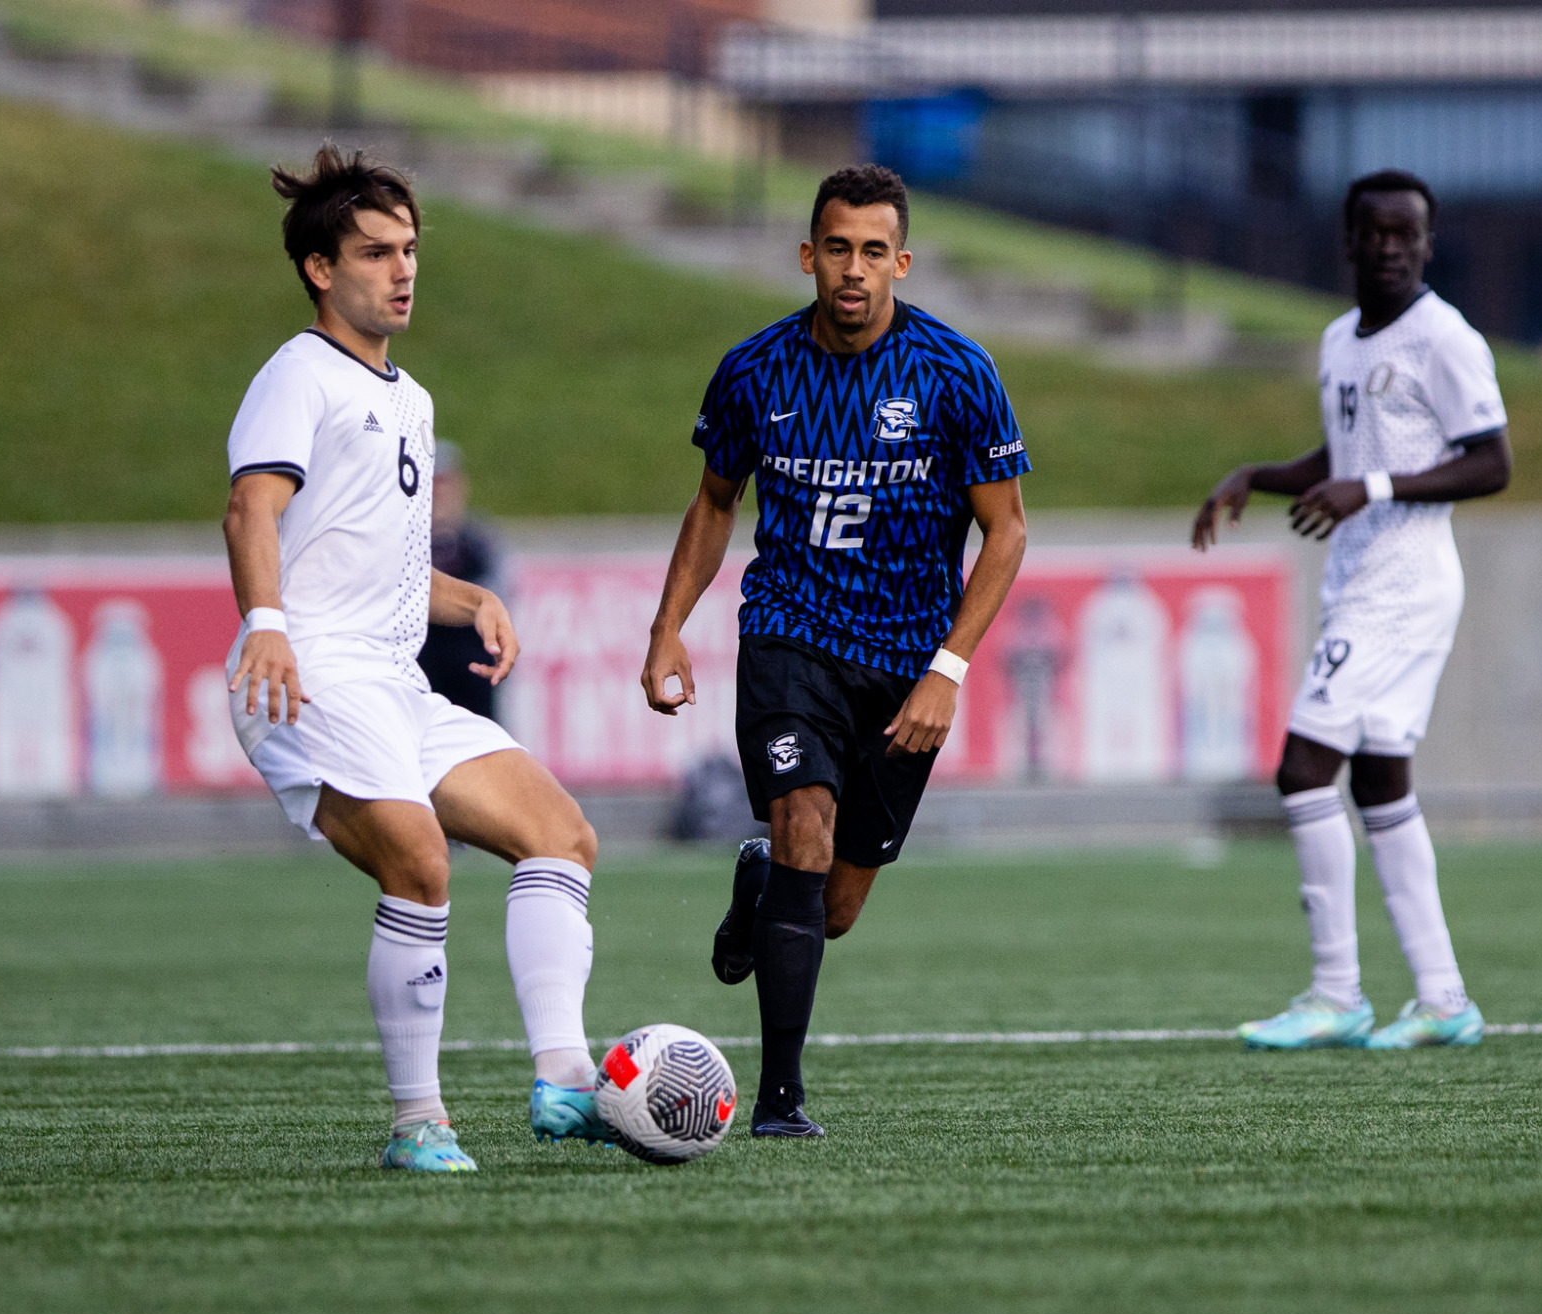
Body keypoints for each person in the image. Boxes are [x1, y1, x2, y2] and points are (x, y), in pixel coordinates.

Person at [221, 146, 607, 1172]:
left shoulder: (410, 398)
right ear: (319, 268)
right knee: (420, 863)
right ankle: (417, 1121)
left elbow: (378, 562)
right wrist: (264, 619)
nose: (402, 271)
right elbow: (250, 506)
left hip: (391, 683)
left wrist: (468, 596)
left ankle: (564, 1077)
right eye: (376, 252)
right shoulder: (296, 376)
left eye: (410, 251)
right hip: (302, 673)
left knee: (559, 836)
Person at [641, 165, 1030, 1136]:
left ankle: (755, 884)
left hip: (905, 668)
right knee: (803, 828)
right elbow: (715, 502)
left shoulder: (954, 371)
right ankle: (779, 1101)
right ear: (805, 254)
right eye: (834, 247)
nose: (851, 269)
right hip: (790, 636)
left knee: (834, 903)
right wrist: (665, 629)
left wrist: (946, 669)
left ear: (899, 260)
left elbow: (1008, 531)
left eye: (871, 250)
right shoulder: (753, 371)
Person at [1192, 168, 1511, 1051]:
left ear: (1428, 243)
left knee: (1302, 768)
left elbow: (1492, 462)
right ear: (1349, 239)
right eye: (1375, 234)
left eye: (1406, 235)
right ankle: (1444, 998)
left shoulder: (1445, 338)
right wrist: (1257, 475)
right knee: (1378, 782)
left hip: (1404, 585)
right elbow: (1344, 450)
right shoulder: (1341, 340)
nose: (1390, 248)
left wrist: (1367, 488)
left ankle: (1337, 990)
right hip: (1361, 580)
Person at [416, 439, 502, 719]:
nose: (439, 493)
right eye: (433, 484)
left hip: (473, 667)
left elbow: (502, 592)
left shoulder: (480, 542)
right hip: (421, 664)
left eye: (445, 484)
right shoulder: (405, 539)